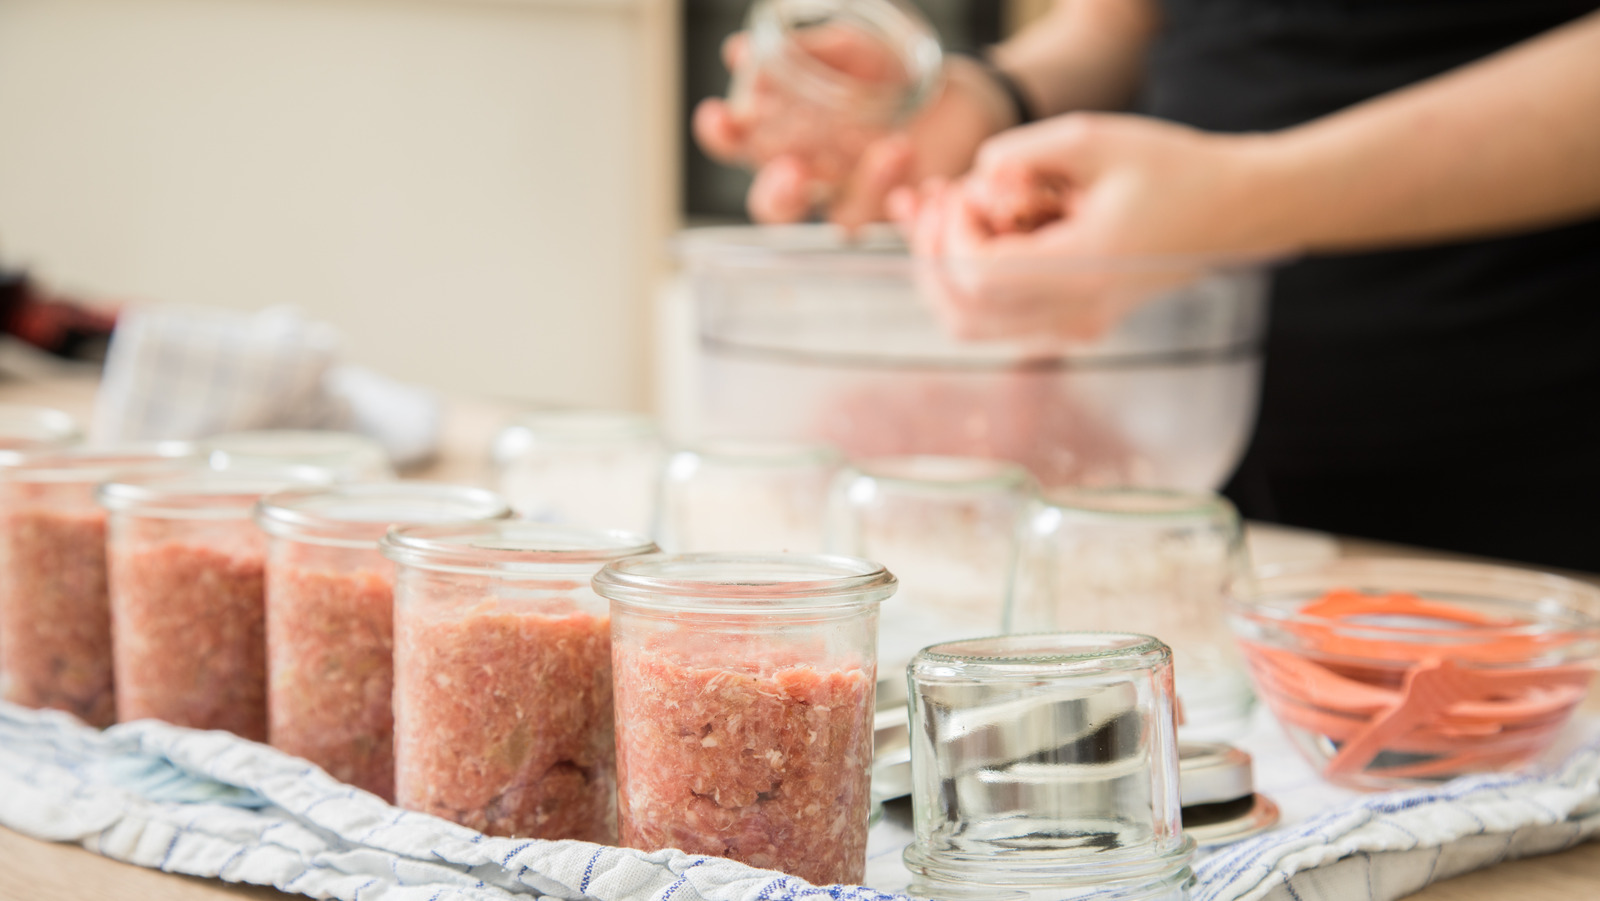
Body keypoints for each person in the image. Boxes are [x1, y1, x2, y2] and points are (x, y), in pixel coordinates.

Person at [693, 1, 1600, 572]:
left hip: (1542, 476)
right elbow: (1122, 23)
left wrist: (1245, 195)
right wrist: (994, 94)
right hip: (1236, 494)